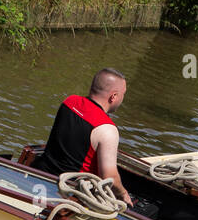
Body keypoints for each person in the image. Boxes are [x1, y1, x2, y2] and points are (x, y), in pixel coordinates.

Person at [31, 68, 134, 206]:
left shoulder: (70, 101)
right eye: (123, 94)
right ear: (113, 96)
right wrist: (123, 194)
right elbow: (110, 178)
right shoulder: (107, 129)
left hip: (39, 174)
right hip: (67, 192)